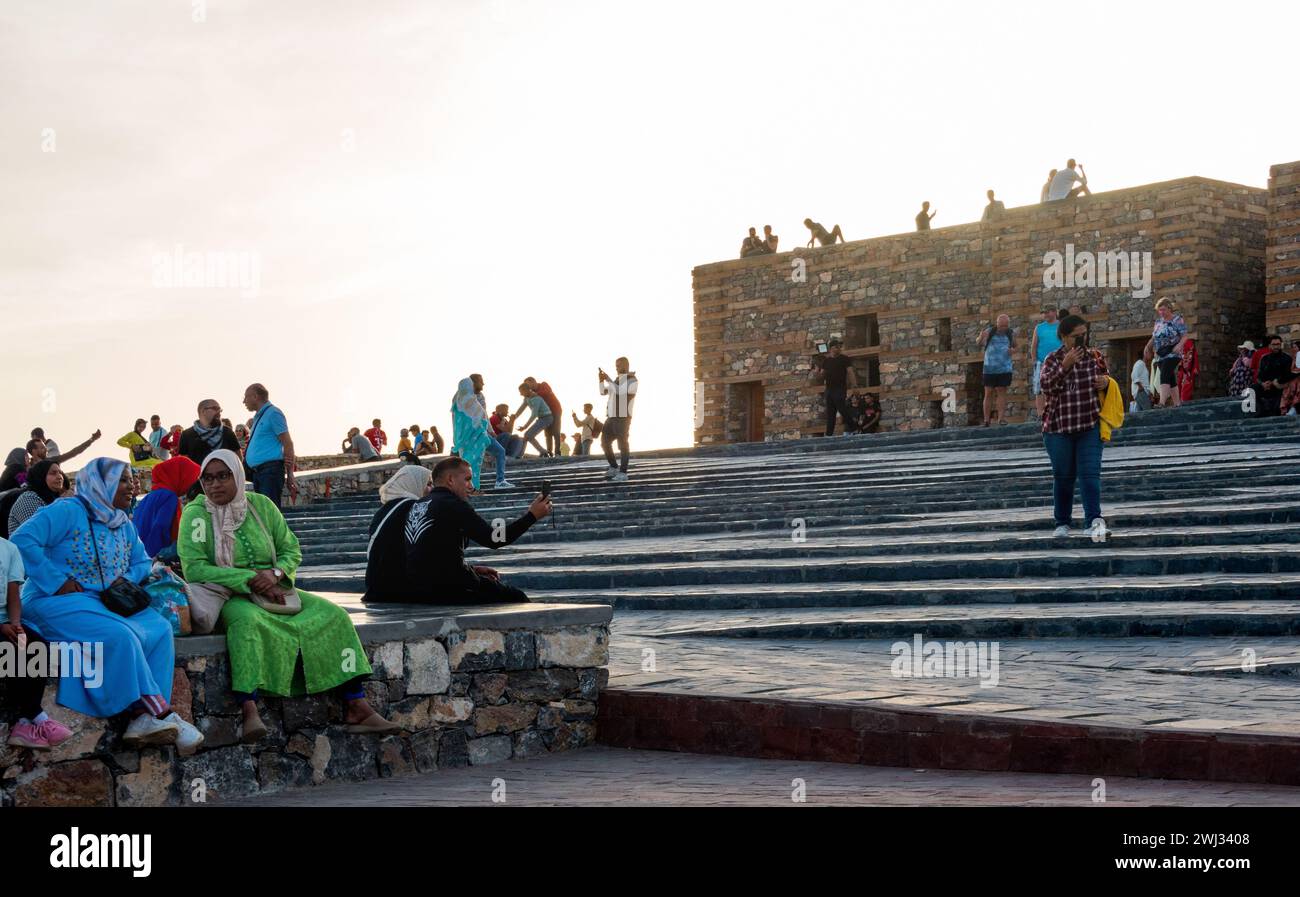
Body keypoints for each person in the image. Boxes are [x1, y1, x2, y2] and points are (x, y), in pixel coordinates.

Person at [179, 450, 397, 741]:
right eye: (208, 478)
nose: (215, 484)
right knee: (246, 623)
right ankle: (249, 708)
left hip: (277, 588)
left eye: (223, 476)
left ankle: (355, 703)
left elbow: (290, 549)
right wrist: (249, 580)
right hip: (228, 594)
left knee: (334, 615)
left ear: (238, 475)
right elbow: (194, 568)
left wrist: (276, 575)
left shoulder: (261, 505)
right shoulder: (196, 515)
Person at [11, 458, 202, 751]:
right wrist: (56, 580)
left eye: (133, 479)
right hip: (54, 601)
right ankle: (162, 713)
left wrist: (122, 579)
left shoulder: (121, 521)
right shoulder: (68, 510)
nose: (133, 485)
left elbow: (142, 561)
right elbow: (22, 539)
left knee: (160, 628)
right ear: (102, 483)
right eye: (124, 479)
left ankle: (141, 719)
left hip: (102, 603)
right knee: (120, 636)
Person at [400, 457, 551, 604]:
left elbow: (432, 555)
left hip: (419, 589)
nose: (471, 486)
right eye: (467, 479)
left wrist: (472, 569)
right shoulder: (452, 504)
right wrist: (532, 516)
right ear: (450, 480)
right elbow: (495, 539)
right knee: (517, 597)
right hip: (450, 589)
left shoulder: (417, 505)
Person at [1039, 315, 1110, 539]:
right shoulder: (1052, 359)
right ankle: (1062, 522)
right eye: (1075, 336)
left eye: (1084, 334)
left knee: (1090, 474)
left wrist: (1107, 382)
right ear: (1063, 337)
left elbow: (1108, 384)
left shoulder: (1095, 357)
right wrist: (1065, 366)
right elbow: (1047, 387)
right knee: (1063, 477)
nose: (1081, 339)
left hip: (1090, 424)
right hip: (1059, 428)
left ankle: (1094, 521)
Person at [2, 534, 75, 750]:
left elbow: (13, 594)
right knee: (9, 651)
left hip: (6, 621)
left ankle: (24, 724)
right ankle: (39, 718)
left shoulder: (8, 548)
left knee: (37, 646)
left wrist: (15, 624)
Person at [362, 465, 433, 603]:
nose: (432, 489)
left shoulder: (390, 506)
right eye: (428, 484)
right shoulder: (411, 507)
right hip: (396, 586)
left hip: (377, 584)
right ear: (413, 483)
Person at [133, 456, 201, 559]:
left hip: (140, 553)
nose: (190, 486)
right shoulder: (169, 497)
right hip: (153, 555)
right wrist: (160, 556)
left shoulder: (150, 496)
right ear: (180, 476)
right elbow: (160, 527)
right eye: (190, 479)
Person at [454, 375, 514, 490]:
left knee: (499, 451)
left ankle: (499, 481)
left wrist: (490, 431)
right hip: (470, 436)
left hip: (482, 434)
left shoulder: (479, 396)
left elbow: (483, 415)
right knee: (471, 460)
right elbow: (461, 418)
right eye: (481, 382)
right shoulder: (463, 397)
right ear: (474, 382)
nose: (483, 384)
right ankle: (469, 487)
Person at [242, 383, 296, 508]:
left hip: (270, 472)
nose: (244, 401)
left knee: (269, 512)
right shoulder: (260, 416)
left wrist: (290, 474)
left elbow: (288, 443)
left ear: (255, 396)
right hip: (259, 472)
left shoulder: (273, 414)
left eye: (246, 397)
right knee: (263, 513)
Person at [600, 357, 639, 481]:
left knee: (622, 444)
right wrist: (601, 381)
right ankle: (613, 467)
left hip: (623, 417)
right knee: (604, 443)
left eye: (618, 365)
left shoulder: (632, 380)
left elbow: (621, 392)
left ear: (625, 365)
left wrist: (609, 380)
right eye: (615, 365)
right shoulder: (616, 380)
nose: (616, 368)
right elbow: (602, 392)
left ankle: (623, 472)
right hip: (611, 416)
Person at [1146, 297, 1188, 409]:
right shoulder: (1158, 322)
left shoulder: (1177, 320)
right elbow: (1154, 337)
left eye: (1163, 309)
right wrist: (1148, 347)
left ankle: (1162, 402)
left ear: (1169, 308)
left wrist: (1179, 345)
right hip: (1160, 354)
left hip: (1173, 352)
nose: (1161, 312)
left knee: (1164, 373)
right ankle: (1177, 403)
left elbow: (1184, 336)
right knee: (1170, 378)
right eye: (1160, 310)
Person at [6, 459, 65, 537]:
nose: (59, 477)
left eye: (60, 473)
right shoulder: (28, 499)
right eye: (53, 473)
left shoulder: (53, 499)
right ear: (41, 476)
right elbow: (40, 533)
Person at [812, 339, 857, 437]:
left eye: (839, 347)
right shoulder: (826, 361)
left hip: (840, 388)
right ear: (831, 348)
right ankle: (829, 435)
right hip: (829, 389)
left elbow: (850, 372)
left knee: (842, 408)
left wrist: (855, 386)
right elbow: (821, 376)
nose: (839, 349)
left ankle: (854, 428)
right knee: (830, 413)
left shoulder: (845, 359)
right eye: (837, 347)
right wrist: (816, 372)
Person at [179, 398, 242, 466]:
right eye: (215, 408)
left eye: (220, 410)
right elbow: (183, 463)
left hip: (224, 476)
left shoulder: (227, 432)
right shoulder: (187, 434)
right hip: (198, 476)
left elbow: (238, 459)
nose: (219, 412)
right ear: (203, 411)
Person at [978, 315, 1015, 425]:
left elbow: (1015, 345)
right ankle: (986, 420)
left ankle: (1001, 419)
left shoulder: (1010, 333)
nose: (1003, 328)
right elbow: (978, 343)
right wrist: (980, 337)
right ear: (997, 323)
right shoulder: (989, 331)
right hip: (989, 368)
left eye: (1005, 326)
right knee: (988, 393)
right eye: (1001, 325)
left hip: (1005, 368)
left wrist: (1013, 350)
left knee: (1001, 393)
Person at [1029, 308, 1062, 418]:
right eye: (1043, 313)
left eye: (1047, 312)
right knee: (1039, 389)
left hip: (1059, 361)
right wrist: (1034, 360)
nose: (1045, 314)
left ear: (1054, 312)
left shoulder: (1061, 326)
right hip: (1042, 363)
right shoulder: (1039, 328)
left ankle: (1058, 412)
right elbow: (1034, 345)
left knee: (1059, 386)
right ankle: (1040, 414)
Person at [1254, 335, 1296, 417]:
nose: (1276, 347)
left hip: (1280, 386)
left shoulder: (1287, 358)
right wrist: (1263, 383)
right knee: (1253, 388)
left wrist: (1274, 383)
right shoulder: (1264, 358)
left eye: (1278, 344)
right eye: (1274, 344)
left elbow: (1288, 376)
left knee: (1276, 406)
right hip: (1266, 386)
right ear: (1269, 345)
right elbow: (1259, 376)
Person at [515, 383, 555, 458]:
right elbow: (521, 408)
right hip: (541, 418)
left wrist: (525, 427)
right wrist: (514, 417)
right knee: (527, 436)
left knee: (528, 435)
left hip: (547, 418)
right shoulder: (527, 398)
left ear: (526, 390)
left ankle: (544, 452)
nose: (520, 394)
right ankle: (520, 455)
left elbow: (534, 415)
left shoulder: (537, 399)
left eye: (521, 392)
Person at [31, 428, 100, 467]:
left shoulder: (51, 460)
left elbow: (74, 452)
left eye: (44, 448)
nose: (45, 450)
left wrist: (91, 440)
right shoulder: (31, 463)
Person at [1177, 338, 1199, 403]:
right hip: (1182, 371)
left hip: (1187, 372)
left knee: (1185, 392)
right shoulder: (1181, 343)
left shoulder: (1188, 343)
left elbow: (1189, 358)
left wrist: (1186, 368)